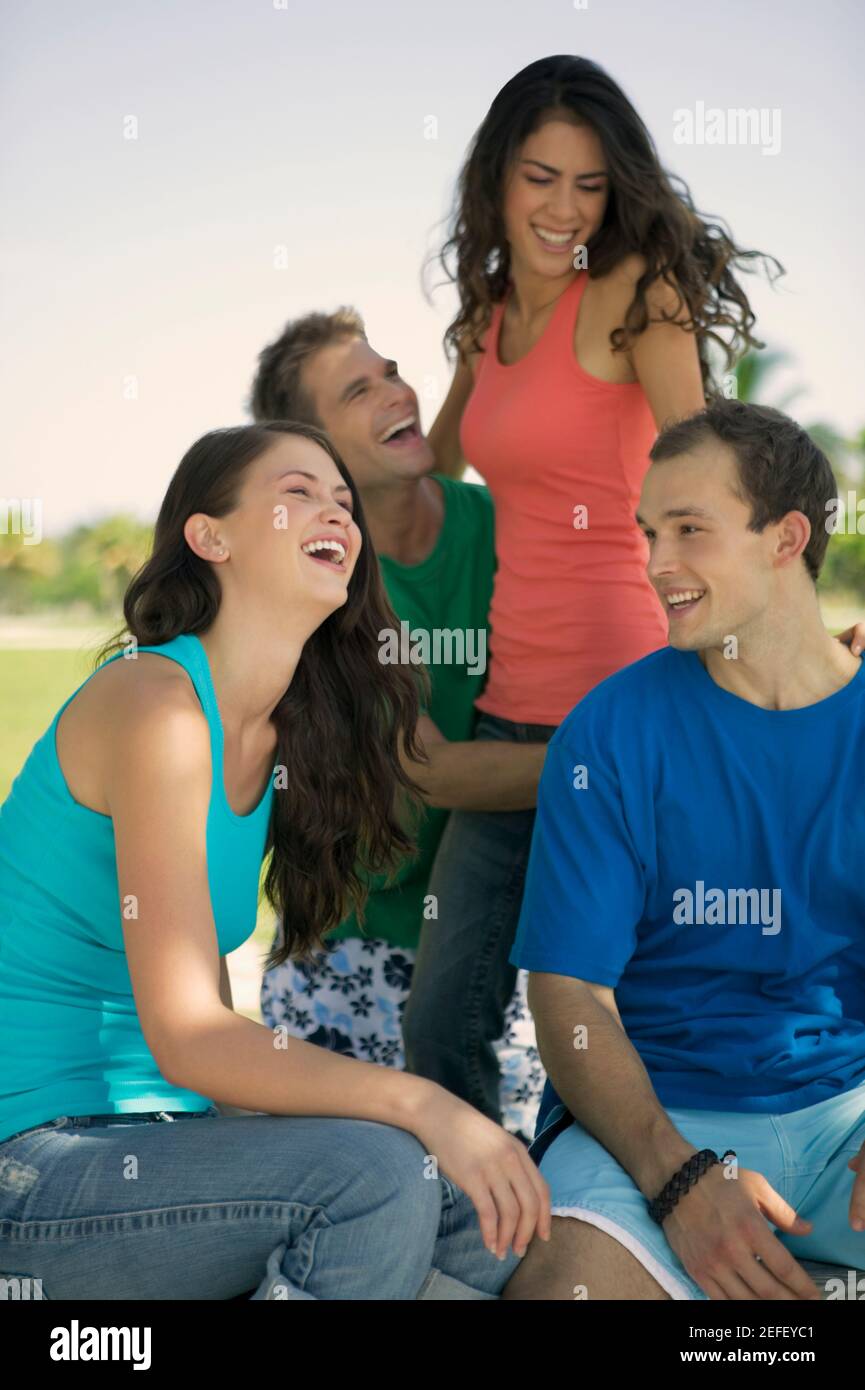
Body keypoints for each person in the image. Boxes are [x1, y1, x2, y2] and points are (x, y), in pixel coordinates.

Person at [0, 420, 549, 1301]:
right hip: (35, 1162)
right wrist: (423, 1104)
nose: (333, 508)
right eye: (297, 492)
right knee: (375, 1173)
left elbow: (209, 1034)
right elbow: (189, 1037)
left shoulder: (271, 729)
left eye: (341, 498)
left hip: (155, 1141)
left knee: (489, 1220)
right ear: (209, 538)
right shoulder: (157, 705)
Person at [402, 52, 786, 1126]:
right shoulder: (486, 316)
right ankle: (473, 1224)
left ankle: (596, 1233)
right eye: (539, 178)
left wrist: (768, 631)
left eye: (588, 184)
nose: (565, 209)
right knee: (442, 1014)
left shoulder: (635, 297)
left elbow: (709, 472)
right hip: (509, 707)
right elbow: (433, 471)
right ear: (495, 181)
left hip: (629, 706)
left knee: (597, 1017)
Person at [503, 400, 865, 1301]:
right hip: (648, 1123)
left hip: (842, 1119)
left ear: (785, 538)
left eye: (690, 530)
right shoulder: (608, 733)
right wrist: (680, 1181)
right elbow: (567, 995)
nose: (656, 563)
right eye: (649, 532)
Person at [248, 309, 548, 1141]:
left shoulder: (507, 527)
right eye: (358, 390)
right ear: (313, 456)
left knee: (502, 1221)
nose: (394, 390)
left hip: (493, 944)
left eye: (389, 371)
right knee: (361, 1218)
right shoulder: (324, 581)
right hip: (351, 949)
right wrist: (620, 762)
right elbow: (427, 770)